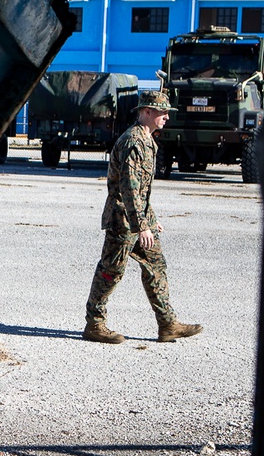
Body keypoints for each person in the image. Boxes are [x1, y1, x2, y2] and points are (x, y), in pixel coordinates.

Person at [83, 91, 202, 344]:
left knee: (156, 267)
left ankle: (168, 324)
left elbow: (142, 190)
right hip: (122, 220)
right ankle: (94, 324)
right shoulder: (133, 142)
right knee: (111, 271)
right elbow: (129, 187)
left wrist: (150, 219)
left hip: (139, 218)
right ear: (146, 112)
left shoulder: (148, 140)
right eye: (162, 112)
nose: (166, 117)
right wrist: (141, 226)